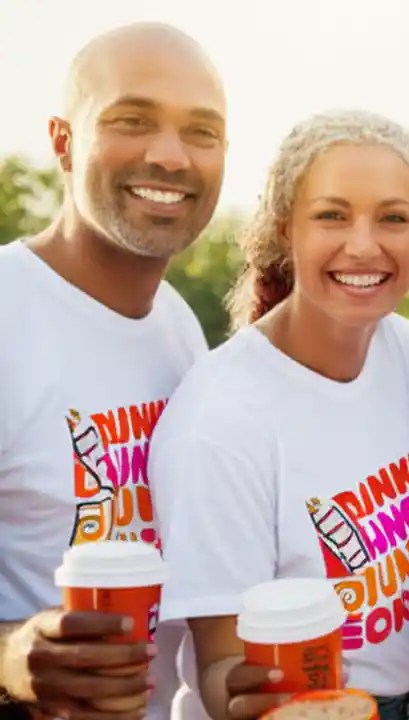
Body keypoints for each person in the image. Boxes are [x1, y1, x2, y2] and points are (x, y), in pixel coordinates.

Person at [147, 110, 409, 720]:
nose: (363, 245)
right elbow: (221, 664)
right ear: (287, 230)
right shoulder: (221, 419)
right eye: (332, 215)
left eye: (394, 218)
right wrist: (264, 698)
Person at [0, 22, 225, 720]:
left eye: (202, 131)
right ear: (63, 141)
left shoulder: (180, 330)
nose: (170, 155)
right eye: (132, 120)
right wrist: (10, 661)